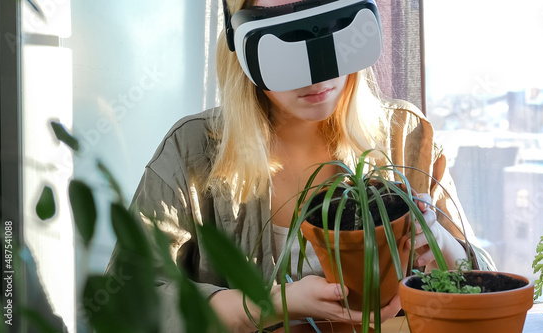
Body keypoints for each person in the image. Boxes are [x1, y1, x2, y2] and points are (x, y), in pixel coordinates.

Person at [115, 0, 494, 331]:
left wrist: (441, 246)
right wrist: (271, 305)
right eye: (285, 44)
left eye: (333, 31)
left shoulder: (405, 137)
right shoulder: (193, 151)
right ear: (241, 43)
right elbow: (129, 297)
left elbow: (491, 287)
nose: (317, 73)